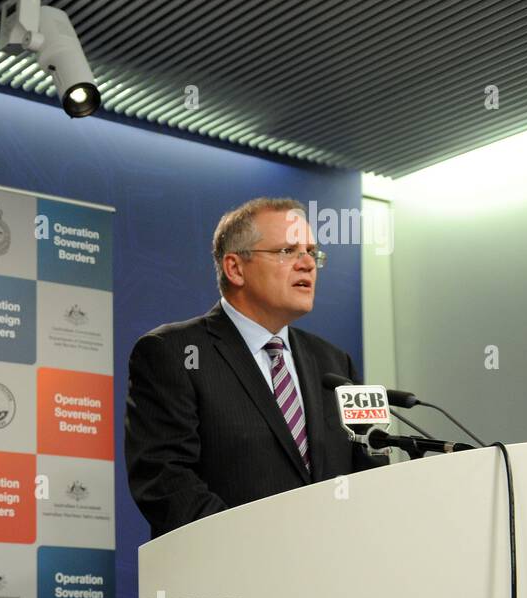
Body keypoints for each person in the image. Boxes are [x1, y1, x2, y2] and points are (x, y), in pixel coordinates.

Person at [124, 197, 383, 539]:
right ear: (235, 268)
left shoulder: (336, 363)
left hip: (332, 577)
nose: (307, 264)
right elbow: (167, 481)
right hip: (227, 577)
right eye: (288, 251)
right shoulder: (172, 353)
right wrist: (260, 550)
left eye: (312, 252)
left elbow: (371, 475)